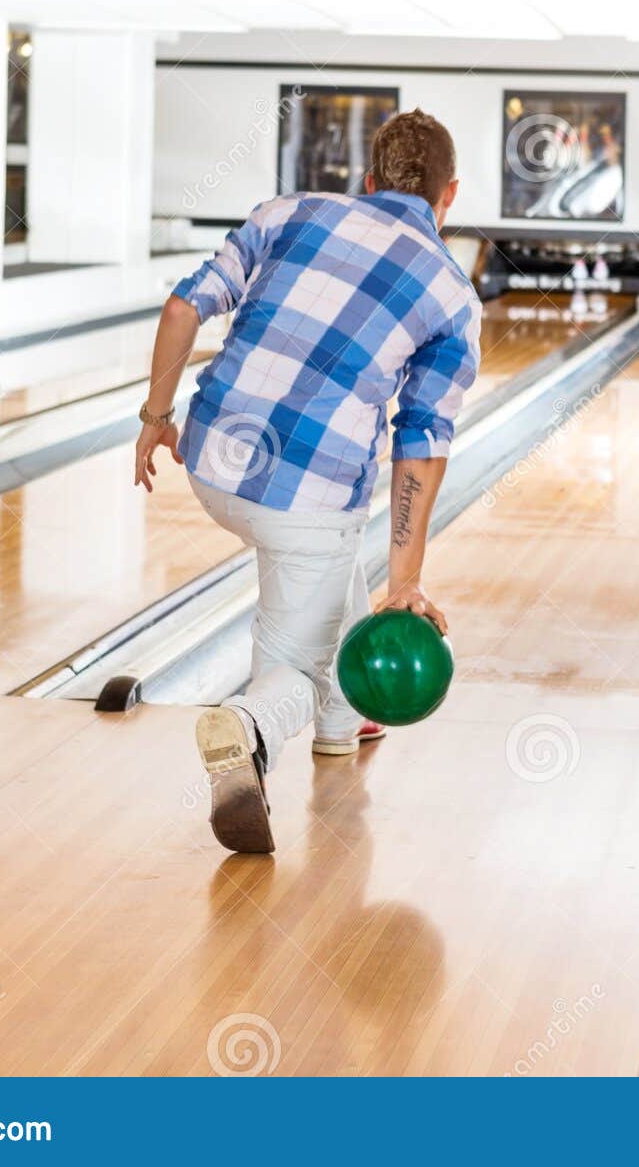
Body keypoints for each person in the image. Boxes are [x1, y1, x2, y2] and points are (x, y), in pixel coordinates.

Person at [133, 108, 482, 854]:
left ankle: (342, 725)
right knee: (297, 661)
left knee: (328, 569)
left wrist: (155, 417)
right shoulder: (452, 295)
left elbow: (182, 306)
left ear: (368, 180)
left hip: (211, 459)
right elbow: (420, 441)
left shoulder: (287, 211)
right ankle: (252, 727)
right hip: (306, 500)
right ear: (449, 195)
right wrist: (406, 584)